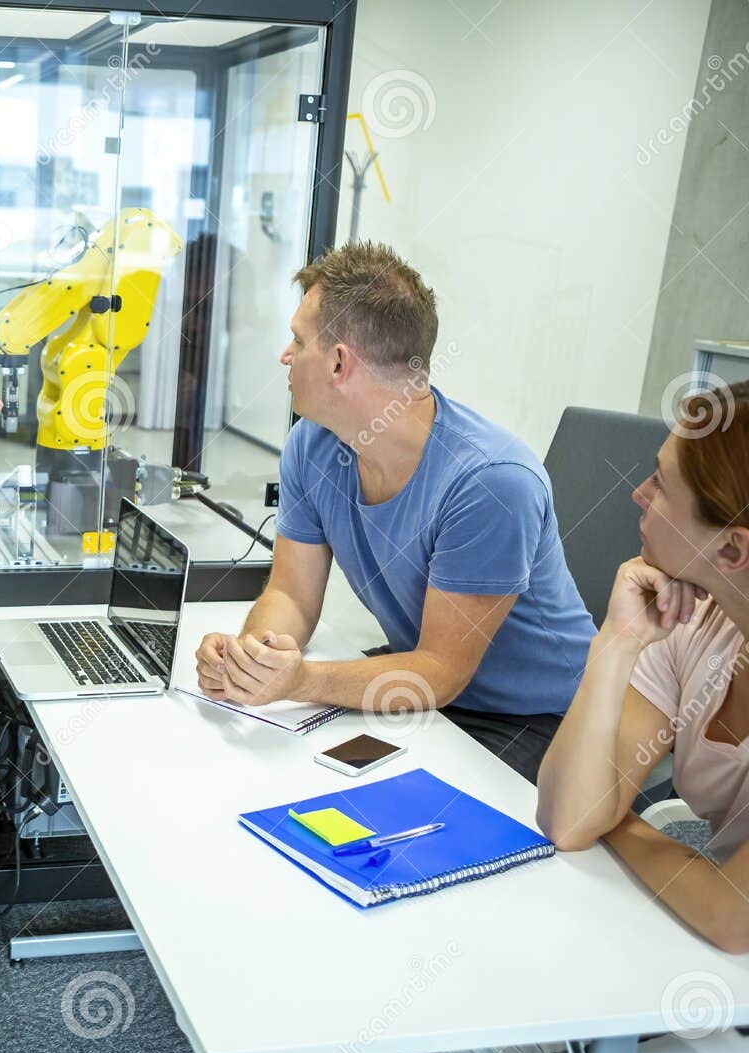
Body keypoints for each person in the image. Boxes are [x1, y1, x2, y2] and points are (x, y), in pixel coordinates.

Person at [194, 242, 596, 781]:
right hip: (428, 686)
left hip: (540, 720)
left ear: (339, 362)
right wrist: (257, 658)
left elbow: (441, 672)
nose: (285, 356)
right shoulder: (313, 446)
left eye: (297, 340)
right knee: (277, 768)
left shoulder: (491, 481)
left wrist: (300, 681)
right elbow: (290, 594)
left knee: (368, 805)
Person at [537, 381, 749, 954]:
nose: (638, 493)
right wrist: (618, 639)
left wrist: (622, 822)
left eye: (660, 484)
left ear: (732, 551)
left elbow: (733, 918)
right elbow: (568, 821)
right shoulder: (705, 619)